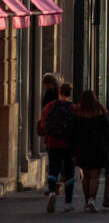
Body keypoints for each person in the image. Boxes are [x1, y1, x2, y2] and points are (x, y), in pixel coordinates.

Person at [68, 90, 109, 211]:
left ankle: (86, 200)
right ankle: (92, 199)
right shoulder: (101, 113)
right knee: (95, 177)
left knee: (85, 176)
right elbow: (108, 134)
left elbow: (72, 134)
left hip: (82, 149)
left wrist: (73, 152)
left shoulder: (77, 114)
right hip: (98, 148)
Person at [39, 81, 76, 212]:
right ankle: (68, 203)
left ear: (59, 93)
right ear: (70, 94)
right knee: (69, 173)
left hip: (52, 142)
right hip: (68, 145)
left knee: (53, 170)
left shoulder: (49, 106)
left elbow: (43, 125)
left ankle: (52, 191)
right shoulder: (73, 108)